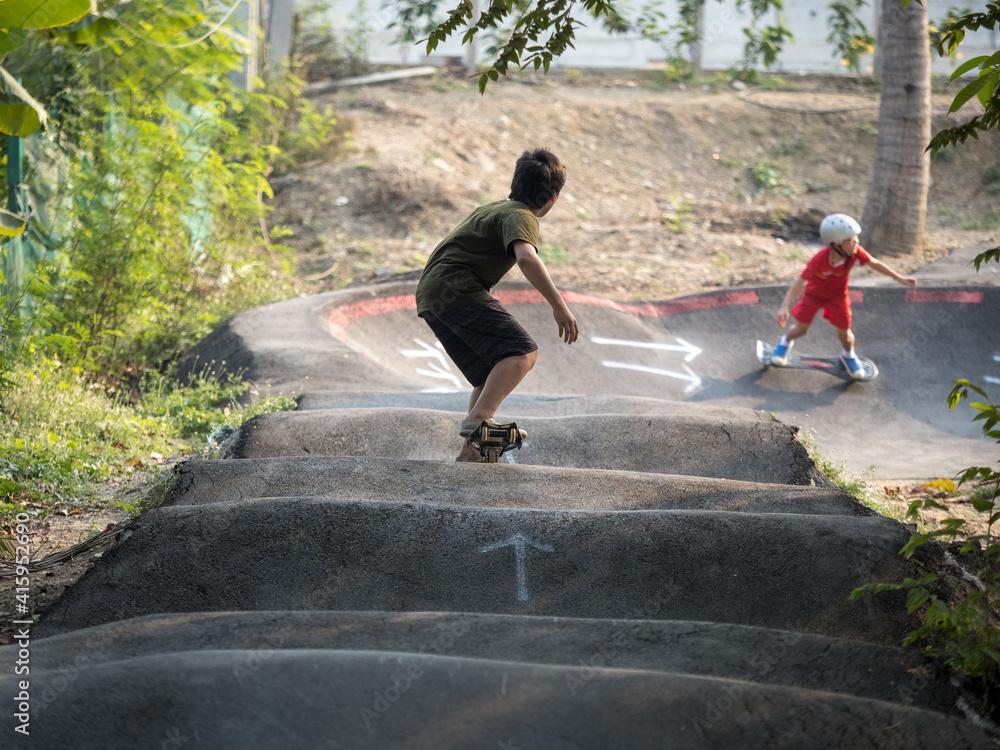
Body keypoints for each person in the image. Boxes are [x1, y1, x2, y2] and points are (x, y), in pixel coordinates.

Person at [415, 148, 580, 461]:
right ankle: (479, 422)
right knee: (523, 352)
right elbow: (526, 256)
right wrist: (559, 306)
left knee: (489, 372)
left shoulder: (492, 209)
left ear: (515, 183)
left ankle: (471, 452)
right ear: (552, 198)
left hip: (432, 293)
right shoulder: (522, 216)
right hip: (457, 289)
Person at [771, 213, 917, 379]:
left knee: (845, 334)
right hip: (813, 295)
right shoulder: (819, 260)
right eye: (852, 240)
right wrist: (784, 306)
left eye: (856, 238)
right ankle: (784, 343)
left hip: (838, 296)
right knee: (801, 329)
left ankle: (848, 355)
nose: (857, 243)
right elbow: (799, 280)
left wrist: (899, 278)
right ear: (836, 244)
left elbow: (875, 263)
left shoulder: (855, 252)